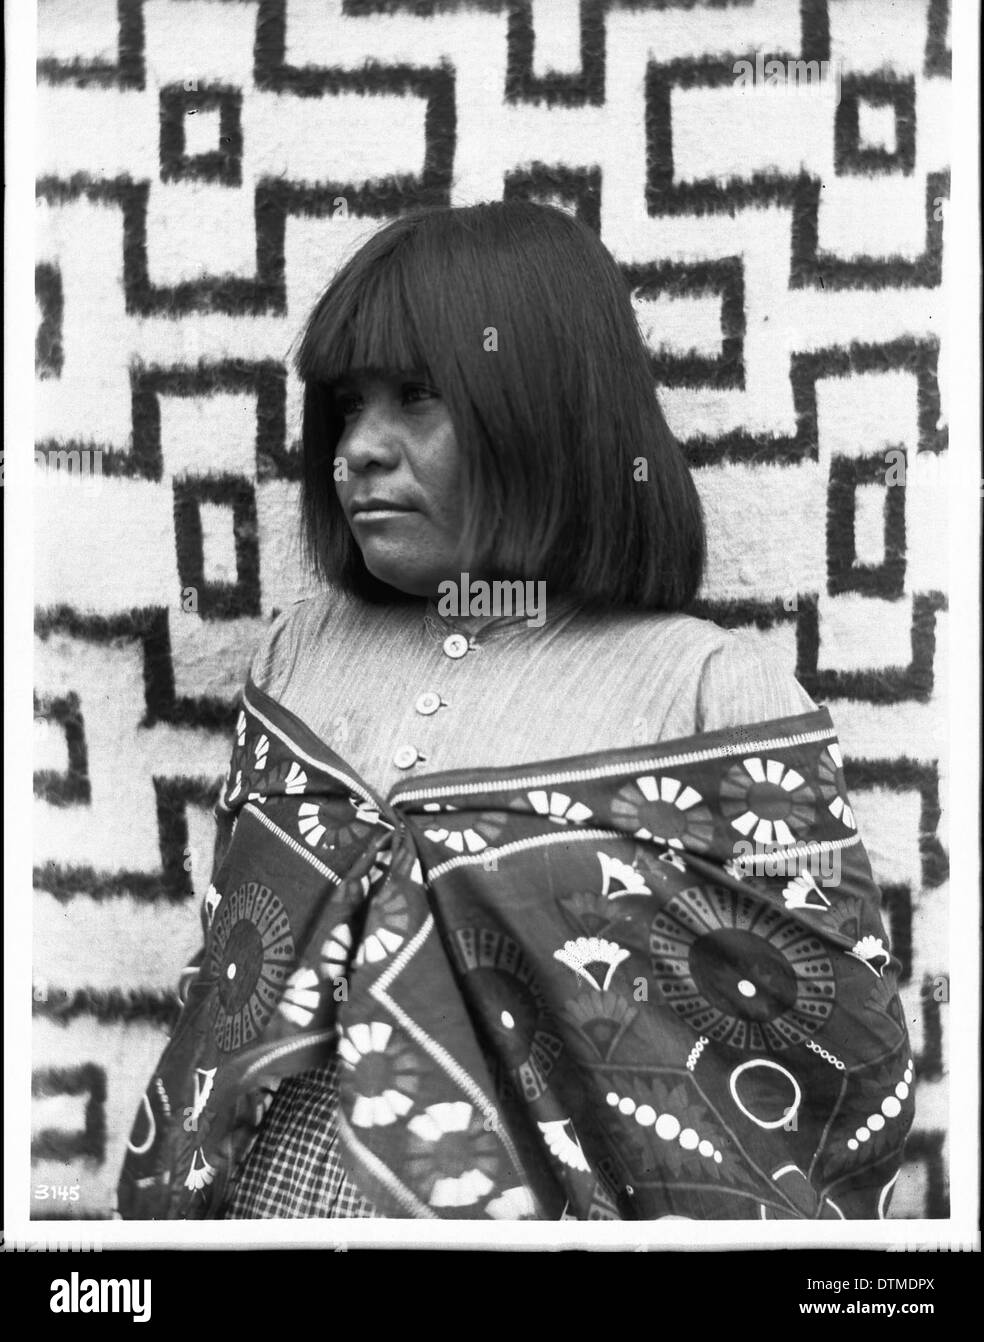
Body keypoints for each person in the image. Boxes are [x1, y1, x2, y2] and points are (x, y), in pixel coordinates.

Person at [117, 201, 914, 1222]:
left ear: (545, 408)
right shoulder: (301, 655)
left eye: (417, 396)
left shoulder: (712, 693)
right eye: (349, 405)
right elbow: (233, 973)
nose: (359, 447)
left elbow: (832, 1060)